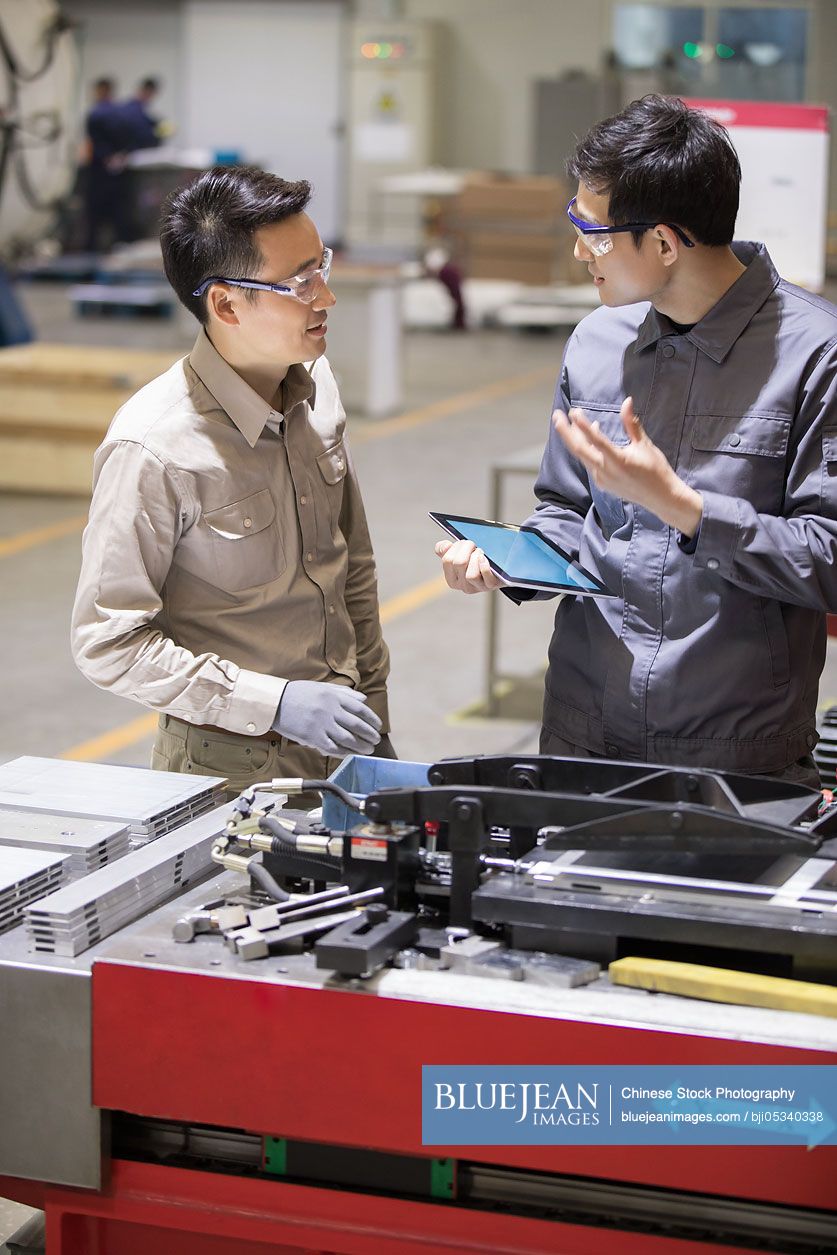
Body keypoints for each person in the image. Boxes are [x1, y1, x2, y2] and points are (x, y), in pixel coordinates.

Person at [436, 94, 837, 789]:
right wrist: (508, 559)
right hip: (582, 730)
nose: (576, 250)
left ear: (660, 242)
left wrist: (688, 511)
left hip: (733, 751)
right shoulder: (597, 340)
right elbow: (564, 507)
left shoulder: (813, 355)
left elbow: (828, 559)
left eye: (591, 232)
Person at [72, 165, 392, 796]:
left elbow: (350, 565)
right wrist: (274, 703)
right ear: (224, 303)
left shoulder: (315, 390)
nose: (325, 296)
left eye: (321, 265)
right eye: (299, 282)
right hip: (226, 768)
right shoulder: (156, 448)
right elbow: (108, 642)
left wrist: (376, 716)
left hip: (344, 746)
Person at [81, 77, 131, 252]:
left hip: (99, 172)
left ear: (101, 90)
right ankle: (120, 248)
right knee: (119, 214)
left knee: (94, 216)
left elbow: (93, 143)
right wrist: (119, 157)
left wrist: (104, 158)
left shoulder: (96, 114)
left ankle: (91, 250)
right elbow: (128, 140)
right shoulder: (121, 114)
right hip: (118, 171)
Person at [118, 77, 163, 152]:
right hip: (132, 152)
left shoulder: (138, 109)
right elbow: (143, 135)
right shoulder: (132, 110)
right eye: (150, 93)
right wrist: (159, 132)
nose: (151, 97)